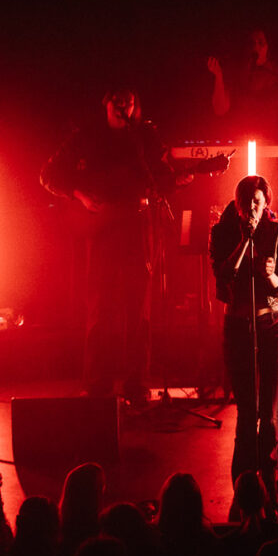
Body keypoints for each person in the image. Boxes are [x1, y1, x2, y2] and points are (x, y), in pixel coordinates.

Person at [41, 87, 202, 401]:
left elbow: (161, 180)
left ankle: (136, 382)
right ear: (106, 102)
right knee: (101, 306)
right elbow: (49, 173)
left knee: (138, 307)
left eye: (129, 101)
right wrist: (81, 194)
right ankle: (97, 382)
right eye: (118, 100)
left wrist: (182, 179)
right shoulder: (86, 136)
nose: (124, 106)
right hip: (100, 230)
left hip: (138, 226)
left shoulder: (144, 137)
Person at [209, 175, 278, 502]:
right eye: (248, 204)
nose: (253, 209)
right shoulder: (222, 232)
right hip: (238, 328)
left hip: (274, 327)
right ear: (239, 206)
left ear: (267, 203)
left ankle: (273, 486)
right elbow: (222, 275)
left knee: (270, 414)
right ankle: (245, 489)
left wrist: (270, 274)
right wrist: (245, 243)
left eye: (259, 202)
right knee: (246, 413)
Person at [207, 29, 278, 142]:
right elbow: (220, 109)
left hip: (272, 141)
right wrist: (218, 77)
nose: (256, 47)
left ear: (268, 46)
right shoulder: (236, 73)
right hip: (240, 141)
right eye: (252, 43)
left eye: (260, 43)